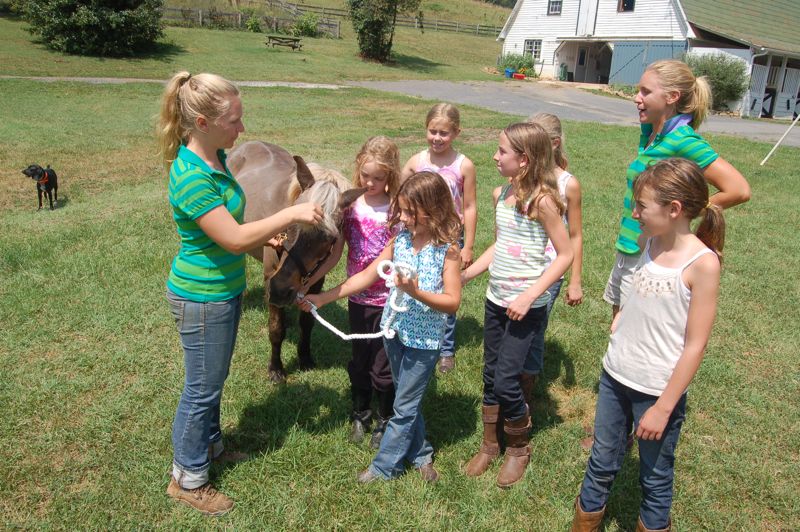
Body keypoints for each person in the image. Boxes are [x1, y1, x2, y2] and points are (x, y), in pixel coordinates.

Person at [157, 71, 322, 516]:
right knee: (201, 390)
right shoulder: (191, 175)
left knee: (212, 383)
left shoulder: (218, 159)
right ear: (204, 123)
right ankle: (188, 479)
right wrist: (289, 214)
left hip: (222, 291)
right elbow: (229, 239)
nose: (241, 128)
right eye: (234, 120)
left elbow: (233, 229)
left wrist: (261, 237)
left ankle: (210, 448)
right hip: (202, 296)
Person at [571, 158, 725, 532]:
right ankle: (585, 521)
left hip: (656, 392)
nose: (634, 212)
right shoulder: (650, 241)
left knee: (654, 477)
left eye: (642, 206)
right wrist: (622, 316)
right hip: (615, 376)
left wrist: (663, 407)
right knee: (601, 459)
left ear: (674, 210)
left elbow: (695, 345)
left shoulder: (703, 265)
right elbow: (635, 288)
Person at [299, 171, 461, 483]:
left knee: (403, 407)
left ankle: (384, 467)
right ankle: (422, 454)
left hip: (423, 343)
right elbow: (366, 276)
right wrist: (323, 297)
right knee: (406, 401)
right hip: (393, 333)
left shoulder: (448, 251)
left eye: (410, 212)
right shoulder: (399, 241)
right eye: (401, 210)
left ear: (435, 209)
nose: (403, 217)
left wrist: (416, 293)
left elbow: (452, 301)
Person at [461, 122, 573, 488]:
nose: (495, 156)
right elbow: (499, 246)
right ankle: (490, 445)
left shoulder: (542, 202)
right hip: (496, 301)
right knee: (491, 374)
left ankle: (518, 449)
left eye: (502, 152)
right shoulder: (503, 193)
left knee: (509, 379)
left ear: (523, 160)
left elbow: (565, 254)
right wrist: (467, 275)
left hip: (526, 306)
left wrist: (528, 296)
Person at [605, 59, 749, 321]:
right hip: (628, 247)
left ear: (672, 97)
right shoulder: (652, 133)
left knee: (632, 334)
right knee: (618, 330)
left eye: (646, 92)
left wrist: (681, 216)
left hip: (648, 254)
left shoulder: (682, 139)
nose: (637, 98)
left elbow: (738, 189)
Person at [301, 136, 402, 448]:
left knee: (383, 366)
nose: (370, 182)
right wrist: (309, 282)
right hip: (357, 301)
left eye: (378, 177)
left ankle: (385, 419)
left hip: (389, 302)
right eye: (365, 176)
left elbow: (378, 268)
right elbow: (335, 255)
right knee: (359, 360)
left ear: (391, 176)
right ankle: (360, 413)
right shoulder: (352, 208)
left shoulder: (398, 210)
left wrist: (326, 296)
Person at [401, 103, 477, 374]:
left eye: (444, 133)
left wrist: (467, 245)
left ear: (456, 132)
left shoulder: (463, 165)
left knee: (447, 290)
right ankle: (410, 331)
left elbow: (469, 206)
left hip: (449, 237)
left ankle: (445, 348)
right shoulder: (417, 162)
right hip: (418, 236)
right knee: (418, 283)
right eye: (433, 131)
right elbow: (402, 195)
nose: (437, 138)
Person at [519, 112, 584, 408]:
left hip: (550, 269)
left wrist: (575, 281)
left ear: (554, 144)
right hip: (520, 265)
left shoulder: (568, 184)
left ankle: (526, 394)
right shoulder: (523, 177)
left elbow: (575, 236)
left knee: (535, 329)